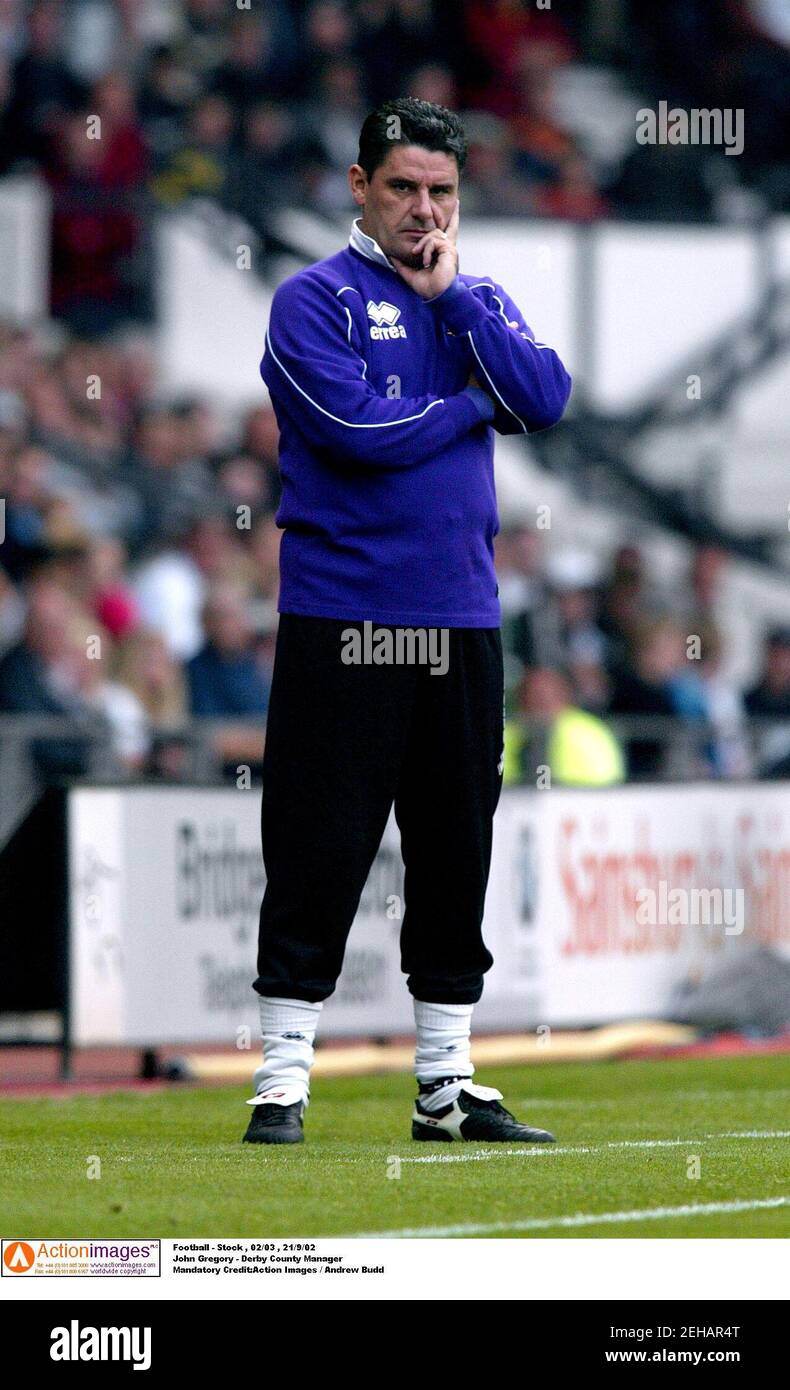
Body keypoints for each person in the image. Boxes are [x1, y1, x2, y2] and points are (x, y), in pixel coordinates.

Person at [244, 97, 571, 1147]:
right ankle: (281, 1078)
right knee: (318, 841)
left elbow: (549, 395)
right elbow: (355, 432)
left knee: (453, 845)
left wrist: (462, 308)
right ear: (358, 187)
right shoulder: (313, 300)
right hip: (344, 613)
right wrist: (473, 405)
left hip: (462, 614)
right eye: (402, 188)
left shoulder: (472, 298)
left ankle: (445, 1085)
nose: (422, 210)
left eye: (439, 191)